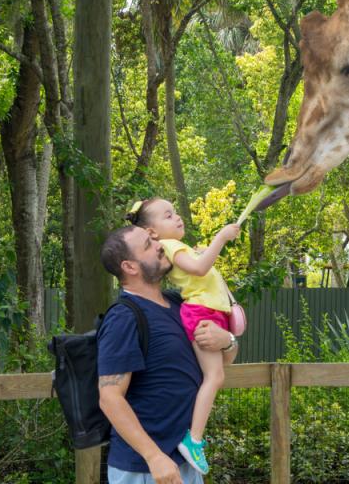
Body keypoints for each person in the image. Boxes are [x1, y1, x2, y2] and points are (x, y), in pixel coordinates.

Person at [98, 225, 238, 484]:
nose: (160, 244)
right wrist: (154, 456)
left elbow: (221, 364)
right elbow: (109, 398)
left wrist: (227, 341)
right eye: (148, 245)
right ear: (130, 267)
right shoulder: (124, 317)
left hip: (185, 460)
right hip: (144, 468)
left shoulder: (180, 303)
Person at [126, 198, 241, 475]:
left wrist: (228, 338)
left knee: (214, 374)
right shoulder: (172, 247)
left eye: (175, 212)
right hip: (202, 313)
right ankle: (195, 440)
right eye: (168, 215)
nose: (177, 217)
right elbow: (200, 269)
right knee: (214, 377)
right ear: (152, 232)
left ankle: (195, 439)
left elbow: (202, 270)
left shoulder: (178, 248)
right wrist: (221, 238)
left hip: (207, 313)